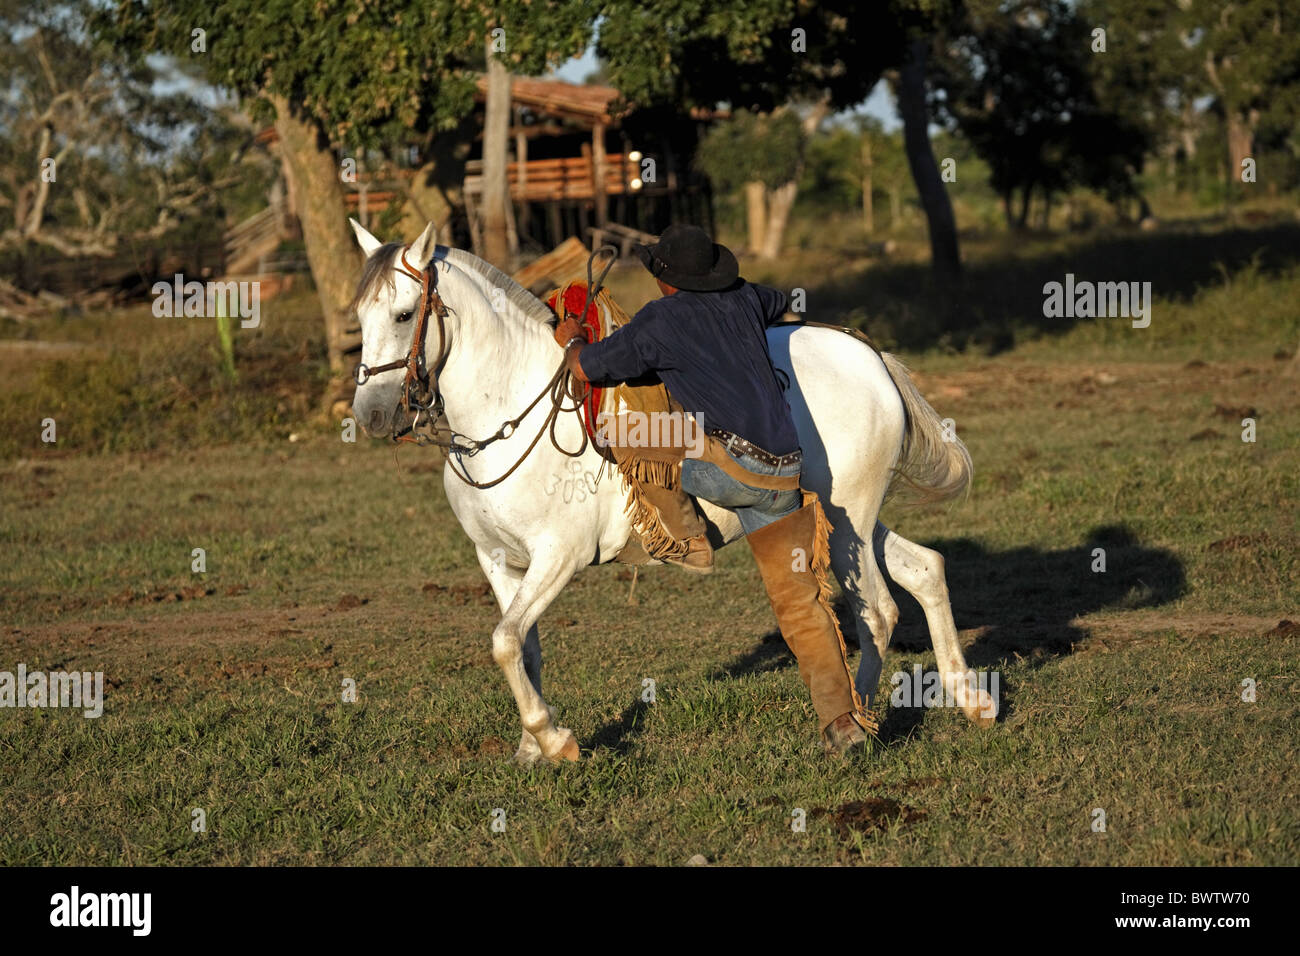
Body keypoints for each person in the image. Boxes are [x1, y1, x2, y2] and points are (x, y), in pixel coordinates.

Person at [552, 224, 872, 754]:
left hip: (730, 471)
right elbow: (777, 303)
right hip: (785, 476)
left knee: (622, 430)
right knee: (800, 605)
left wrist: (574, 339)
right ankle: (841, 723)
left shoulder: (659, 320)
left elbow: (589, 369)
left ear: (664, 280)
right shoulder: (746, 299)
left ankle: (686, 537)